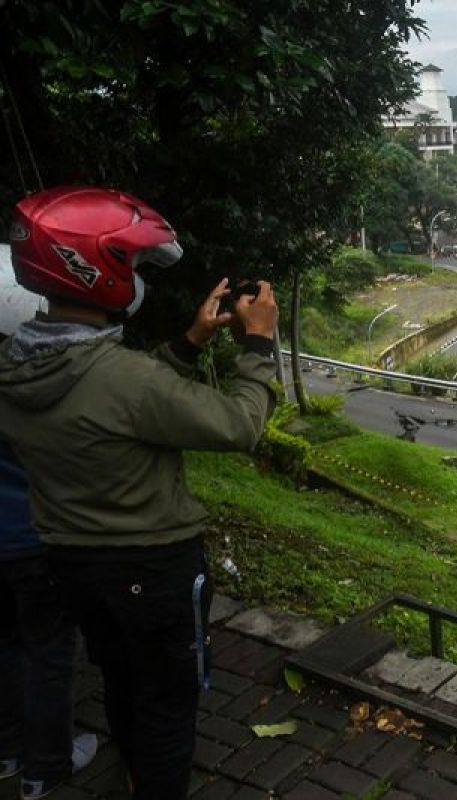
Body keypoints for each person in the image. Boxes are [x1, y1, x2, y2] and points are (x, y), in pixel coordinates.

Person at [0, 186, 279, 799]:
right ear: (95, 270)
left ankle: (133, 773)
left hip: (71, 562)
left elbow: (110, 401)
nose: (138, 278)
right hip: (152, 569)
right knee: (167, 706)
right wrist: (258, 346)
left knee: (123, 681)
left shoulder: (18, 364)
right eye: (131, 264)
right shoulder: (124, 378)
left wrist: (189, 343)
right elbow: (239, 426)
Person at [0, 249, 97, 800]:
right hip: (36, 538)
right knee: (50, 651)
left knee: (5, 644)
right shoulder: (42, 387)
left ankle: (8, 750)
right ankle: (48, 765)